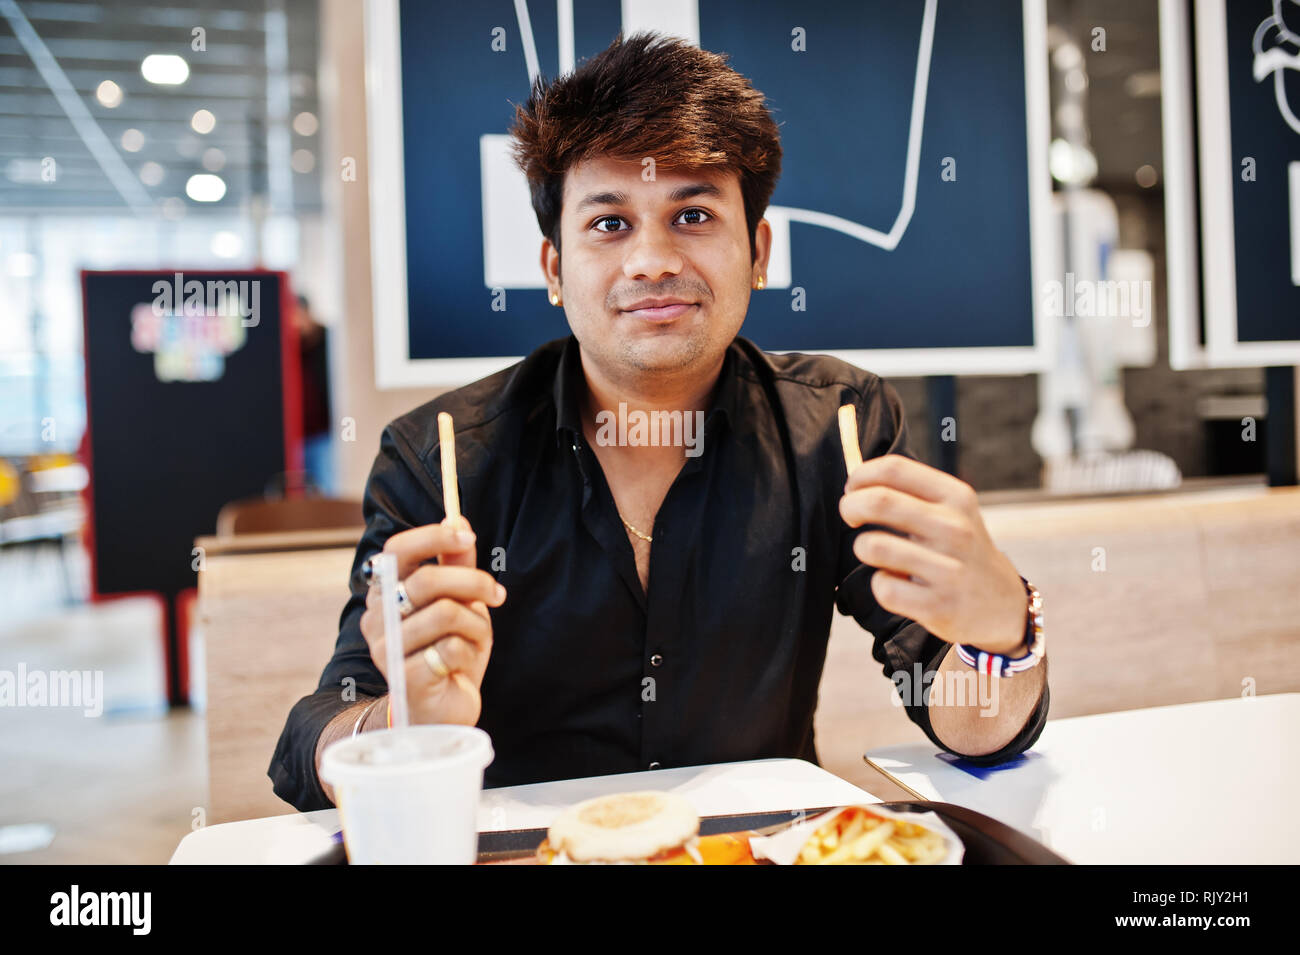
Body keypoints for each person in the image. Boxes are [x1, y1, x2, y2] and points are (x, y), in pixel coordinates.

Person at [270, 31, 1049, 811]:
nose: (650, 260)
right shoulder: (438, 460)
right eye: (609, 224)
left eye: (694, 215)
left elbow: (968, 723)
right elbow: (316, 741)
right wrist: (405, 722)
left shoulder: (839, 427)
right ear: (553, 268)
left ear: (759, 252)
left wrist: (999, 631)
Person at [294, 294, 334, 494]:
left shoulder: (330, 341)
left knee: (327, 486)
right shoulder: (288, 346)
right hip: (295, 435)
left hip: (323, 434)